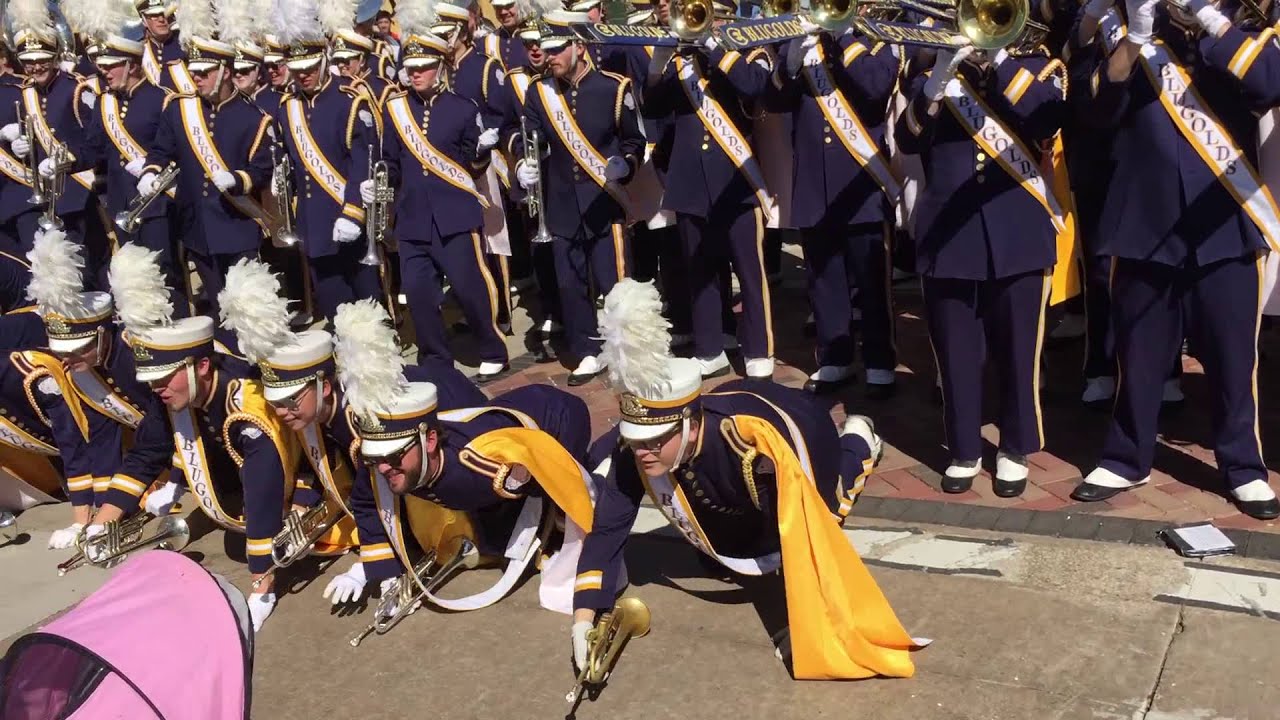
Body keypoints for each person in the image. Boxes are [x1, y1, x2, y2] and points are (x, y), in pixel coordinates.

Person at [571, 279, 920, 679]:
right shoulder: (643, 446)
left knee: (830, 510)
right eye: (636, 441)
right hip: (732, 412)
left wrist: (798, 625)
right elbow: (610, 526)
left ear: (689, 424)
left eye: (653, 441)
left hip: (803, 431)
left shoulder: (753, 451)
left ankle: (858, 440)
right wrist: (584, 617)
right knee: (718, 548)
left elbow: (801, 537)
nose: (642, 451)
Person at [1068, 0, 1280, 519]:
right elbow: (1094, 108)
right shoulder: (1128, 23)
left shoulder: (1243, 22)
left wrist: (1208, 18)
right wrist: (1136, 38)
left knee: (1234, 359)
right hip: (1143, 217)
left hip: (1224, 221)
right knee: (1138, 356)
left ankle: (1242, 466)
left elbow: (1271, 82)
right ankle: (1126, 456)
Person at [335, 312, 601, 616]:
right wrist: (383, 573)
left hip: (558, 421)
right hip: (496, 439)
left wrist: (558, 524)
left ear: (430, 441)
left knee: (559, 521)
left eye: (393, 456)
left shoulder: (480, 467)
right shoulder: (387, 461)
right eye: (376, 458)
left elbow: (549, 472)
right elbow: (367, 502)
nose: (383, 468)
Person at [894, 44, 1065, 498]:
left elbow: (1046, 120)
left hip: (1019, 231)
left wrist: (1000, 61)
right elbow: (908, 139)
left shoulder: (1037, 67)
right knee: (955, 351)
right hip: (948, 234)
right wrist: (934, 85)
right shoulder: (932, 70)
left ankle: (1014, 447)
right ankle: (964, 447)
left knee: (1018, 350)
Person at [108, 244, 299, 631]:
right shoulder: (175, 392)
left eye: (164, 378)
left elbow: (263, 489)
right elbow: (149, 449)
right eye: (153, 380)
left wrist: (261, 580)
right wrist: (104, 523)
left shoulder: (246, 406)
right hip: (235, 479)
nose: (157, 388)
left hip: (291, 482)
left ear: (204, 366)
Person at [368, 21, 509, 381]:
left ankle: (492, 349)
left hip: (455, 215)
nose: (416, 74)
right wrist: (380, 179)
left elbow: (473, 167)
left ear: (440, 68)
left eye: (423, 67)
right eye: (411, 69)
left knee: (469, 287)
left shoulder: (462, 108)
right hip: (414, 218)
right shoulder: (396, 109)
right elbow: (393, 160)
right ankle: (435, 357)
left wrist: (481, 153)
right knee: (417, 293)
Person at [644, 0, 777, 379]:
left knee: (749, 271)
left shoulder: (747, 49)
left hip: (735, 180)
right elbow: (653, 108)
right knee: (699, 270)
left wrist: (716, 48)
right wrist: (657, 65)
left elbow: (755, 87)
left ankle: (758, 348)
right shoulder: (681, 62)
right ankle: (710, 347)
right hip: (690, 181)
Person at [513, 11, 644, 385]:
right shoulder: (540, 92)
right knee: (570, 285)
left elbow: (634, 141)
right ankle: (588, 351)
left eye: (556, 49)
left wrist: (626, 165)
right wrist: (524, 161)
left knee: (616, 283)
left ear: (578, 46)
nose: (548, 55)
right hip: (562, 205)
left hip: (603, 203)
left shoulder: (613, 88)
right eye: (545, 49)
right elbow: (530, 136)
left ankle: (631, 351)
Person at [25, 229, 173, 551]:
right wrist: (85, 520)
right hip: (158, 450)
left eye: (78, 349)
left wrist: (109, 512)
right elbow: (98, 439)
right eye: (63, 352)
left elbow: (157, 432)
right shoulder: (80, 368)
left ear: (104, 334)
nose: (68, 359)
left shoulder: (135, 358)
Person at [774, 23, 900, 398]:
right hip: (814, 180)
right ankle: (835, 357)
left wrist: (844, 37)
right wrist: (792, 59)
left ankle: (879, 361)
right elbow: (775, 102)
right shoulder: (798, 44)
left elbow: (876, 89)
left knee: (872, 279)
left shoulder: (878, 41)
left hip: (860, 181)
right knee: (823, 276)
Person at [137, 1, 274, 320]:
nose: (196, 78)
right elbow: (161, 150)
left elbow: (262, 169)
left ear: (226, 71)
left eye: (204, 73)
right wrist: (150, 171)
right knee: (216, 308)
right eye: (193, 72)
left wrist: (239, 179)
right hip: (196, 226)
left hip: (236, 225)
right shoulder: (178, 109)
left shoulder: (254, 118)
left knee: (249, 309)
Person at [271, 3, 381, 322]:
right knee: (337, 312)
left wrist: (352, 212)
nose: (303, 74)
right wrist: (285, 180)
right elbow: (294, 162)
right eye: (297, 68)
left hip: (350, 221)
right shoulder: (286, 107)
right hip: (314, 226)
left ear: (324, 60)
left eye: (309, 66)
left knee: (368, 310)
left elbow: (363, 164)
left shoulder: (350, 103)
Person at [75, 21, 187, 313]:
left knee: (163, 272)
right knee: (133, 273)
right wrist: (63, 161)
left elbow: (178, 152)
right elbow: (92, 151)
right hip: (122, 203)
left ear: (131, 65)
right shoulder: (105, 103)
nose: (105, 72)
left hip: (156, 203)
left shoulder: (162, 99)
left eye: (111, 66)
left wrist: (152, 168)